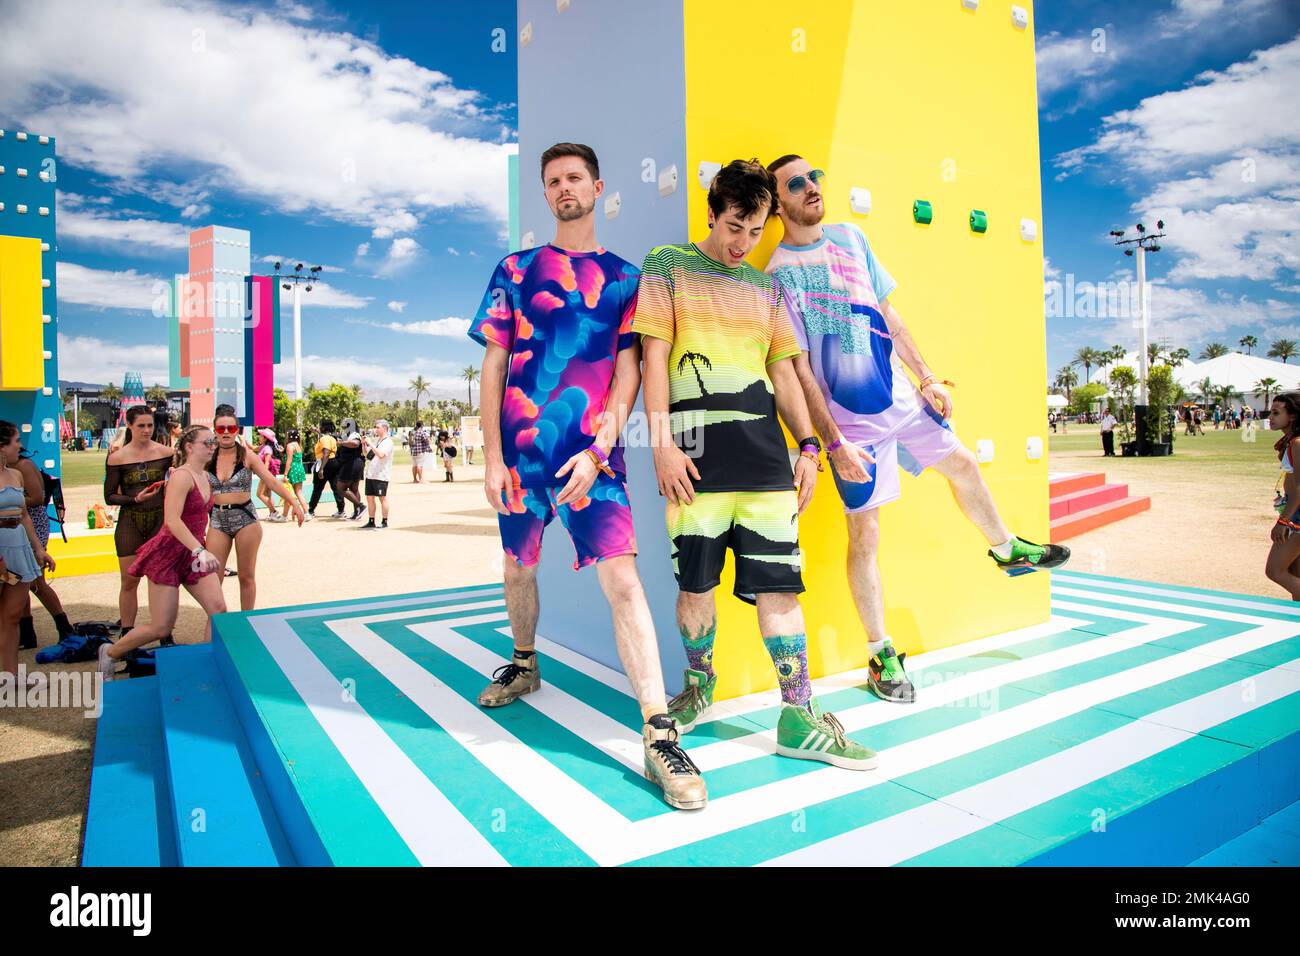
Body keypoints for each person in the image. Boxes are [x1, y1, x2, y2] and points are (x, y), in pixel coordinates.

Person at [764, 154, 1070, 704]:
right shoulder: (777, 276)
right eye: (797, 183)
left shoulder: (852, 238)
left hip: (902, 402)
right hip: (851, 429)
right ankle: (881, 655)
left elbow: (891, 317)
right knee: (866, 535)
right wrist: (833, 445)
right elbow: (800, 369)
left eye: (815, 177)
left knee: (965, 466)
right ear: (778, 202)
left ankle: (1006, 550)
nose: (812, 187)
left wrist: (927, 377)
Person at [469, 140, 706, 810]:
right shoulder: (515, 269)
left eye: (575, 177)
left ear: (598, 188)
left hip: (592, 461)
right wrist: (491, 457)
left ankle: (659, 732)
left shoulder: (626, 279)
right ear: (545, 194)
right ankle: (524, 663)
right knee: (518, 567)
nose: (564, 187)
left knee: (623, 580)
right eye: (552, 181)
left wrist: (601, 446)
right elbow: (493, 363)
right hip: (520, 457)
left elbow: (628, 368)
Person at [636, 157, 875, 770]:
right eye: (734, 226)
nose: (743, 242)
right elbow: (653, 360)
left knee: (780, 586)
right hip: (692, 459)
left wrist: (810, 447)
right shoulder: (665, 266)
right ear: (713, 213)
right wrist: (661, 444)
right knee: (695, 585)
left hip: (767, 458)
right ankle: (699, 683)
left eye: (755, 230)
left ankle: (797, 715)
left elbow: (784, 372)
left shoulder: (767, 288)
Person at [97, 425, 227, 679]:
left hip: (193, 553)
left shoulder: (206, 477)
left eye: (213, 442)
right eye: (206, 442)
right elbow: (172, 520)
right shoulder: (181, 476)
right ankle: (110, 653)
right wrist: (200, 550)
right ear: (189, 447)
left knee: (218, 610)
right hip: (169, 553)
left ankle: (208, 664)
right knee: (160, 626)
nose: (212, 446)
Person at [205, 405, 306, 611]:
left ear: (238, 430)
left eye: (231, 428)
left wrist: (295, 503)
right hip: (217, 519)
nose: (226, 432)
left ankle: (246, 621)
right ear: (214, 429)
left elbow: (271, 481)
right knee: (213, 577)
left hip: (245, 518)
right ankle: (215, 622)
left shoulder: (247, 456)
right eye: (221, 428)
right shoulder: (206, 457)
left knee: (246, 576)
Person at [104, 405, 174, 635]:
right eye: (141, 426)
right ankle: (127, 636)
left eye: (150, 425)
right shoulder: (117, 458)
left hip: (159, 521)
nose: (146, 430)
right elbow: (109, 496)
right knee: (129, 581)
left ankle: (164, 634)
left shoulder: (166, 454)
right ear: (130, 426)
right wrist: (135, 499)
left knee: (160, 580)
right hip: (129, 522)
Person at [0, 421, 56, 676]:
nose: (20, 446)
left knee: (11, 617)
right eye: (16, 441)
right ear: (2, 446)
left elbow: (24, 516)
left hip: (18, 546)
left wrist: (38, 549)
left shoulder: (16, 474)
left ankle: (11, 676)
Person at [9, 433, 72, 649]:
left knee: (37, 582)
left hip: (32, 524)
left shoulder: (23, 465)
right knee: (17, 581)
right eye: (15, 441)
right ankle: (27, 633)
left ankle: (64, 627)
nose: (19, 445)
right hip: (14, 527)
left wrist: (7, 500)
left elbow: (36, 497)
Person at [1266, 393, 1300, 600]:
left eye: (1276, 413)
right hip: (1294, 513)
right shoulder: (1291, 442)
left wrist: (1284, 520)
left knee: (1275, 571)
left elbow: (1299, 488)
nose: (1270, 417)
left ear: (1293, 417)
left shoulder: (1297, 443)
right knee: (1295, 573)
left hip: (1296, 517)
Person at [362, 420, 394, 529]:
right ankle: (371, 520)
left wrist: (370, 443)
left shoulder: (388, 442)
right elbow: (368, 455)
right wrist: (364, 445)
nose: (376, 429)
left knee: (382, 498)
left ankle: (384, 521)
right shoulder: (378, 441)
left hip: (381, 475)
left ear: (384, 428)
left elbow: (381, 454)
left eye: (378, 427)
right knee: (369, 498)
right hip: (371, 474)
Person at [332, 418, 366, 520]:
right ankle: (357, 512)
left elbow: (356, 444)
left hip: (352, 464)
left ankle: (360, 506)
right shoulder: (348, 434)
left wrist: (342, 443)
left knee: (340, 488)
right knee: (354, 489)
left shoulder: (354, 435)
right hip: (354, 463)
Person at [306, 419, 338, 519]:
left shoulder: (324, 439)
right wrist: (316, 431)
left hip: (325, 463)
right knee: (335, 487)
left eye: (320, 425)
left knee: (317, 488)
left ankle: (311, 510)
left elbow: (326, 453)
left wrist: (321, 469)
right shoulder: (331, 438)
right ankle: (341, 509)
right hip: (333, 463)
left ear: (323, 427)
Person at [255, 428, 286, 520]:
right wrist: (242, 440)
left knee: (259, 494)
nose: (259, 437)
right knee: (267, 494)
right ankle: (272, 513)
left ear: (265, 438)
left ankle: (273, 511)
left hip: (266, 474)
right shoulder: (263, 447)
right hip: (267, 474)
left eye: (261, 436)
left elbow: (267, 463)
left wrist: (263, 475)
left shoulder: (267, 448)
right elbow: (252, 448)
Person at [280, 429, 307, 520]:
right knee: (299, 492)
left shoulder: (289, 446)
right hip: (300, 469)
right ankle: (306, 513)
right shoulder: (298, 445)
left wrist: (285, 474)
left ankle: (284, 516)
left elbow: (289, 460)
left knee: (288, 493)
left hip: (293, 470)